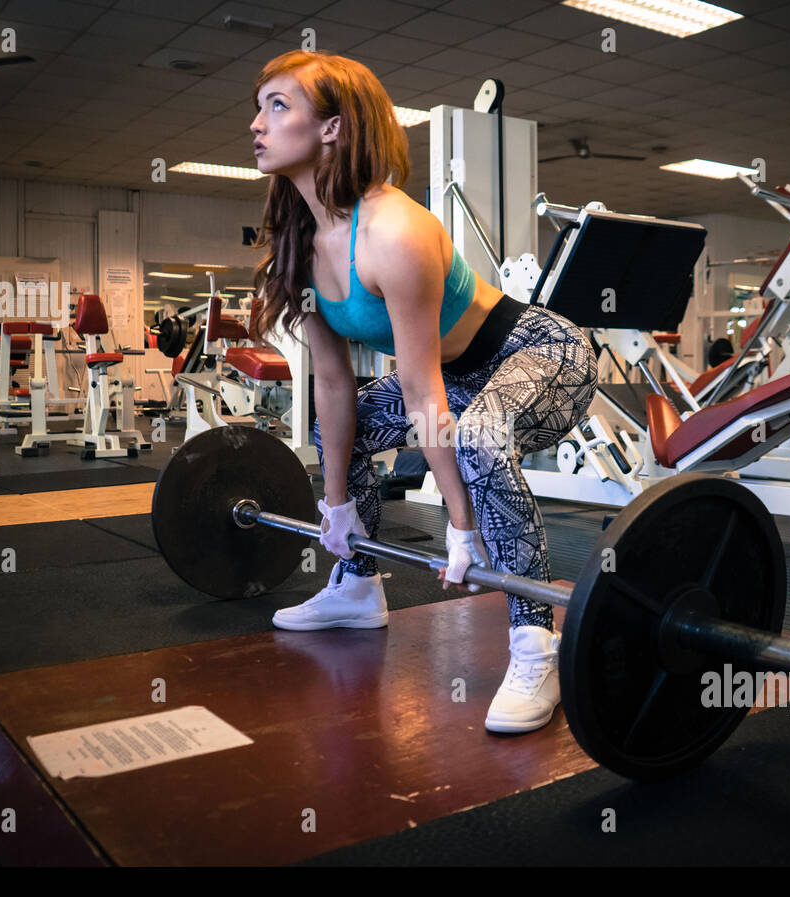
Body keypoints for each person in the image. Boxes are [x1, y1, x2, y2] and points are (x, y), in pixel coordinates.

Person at [249, 50, 598, 734]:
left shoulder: (395, 231)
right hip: (456, 380)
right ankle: (355, 587)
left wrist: (463, 529)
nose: (256, 123)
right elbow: (333, 383)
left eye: (277, 105)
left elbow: (420, 387)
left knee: (477, 436)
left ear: (332, 128)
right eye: (259, 106)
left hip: (540, 352)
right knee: (334, 433)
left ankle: (534, 642)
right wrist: (339, 502)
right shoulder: (300, 243)